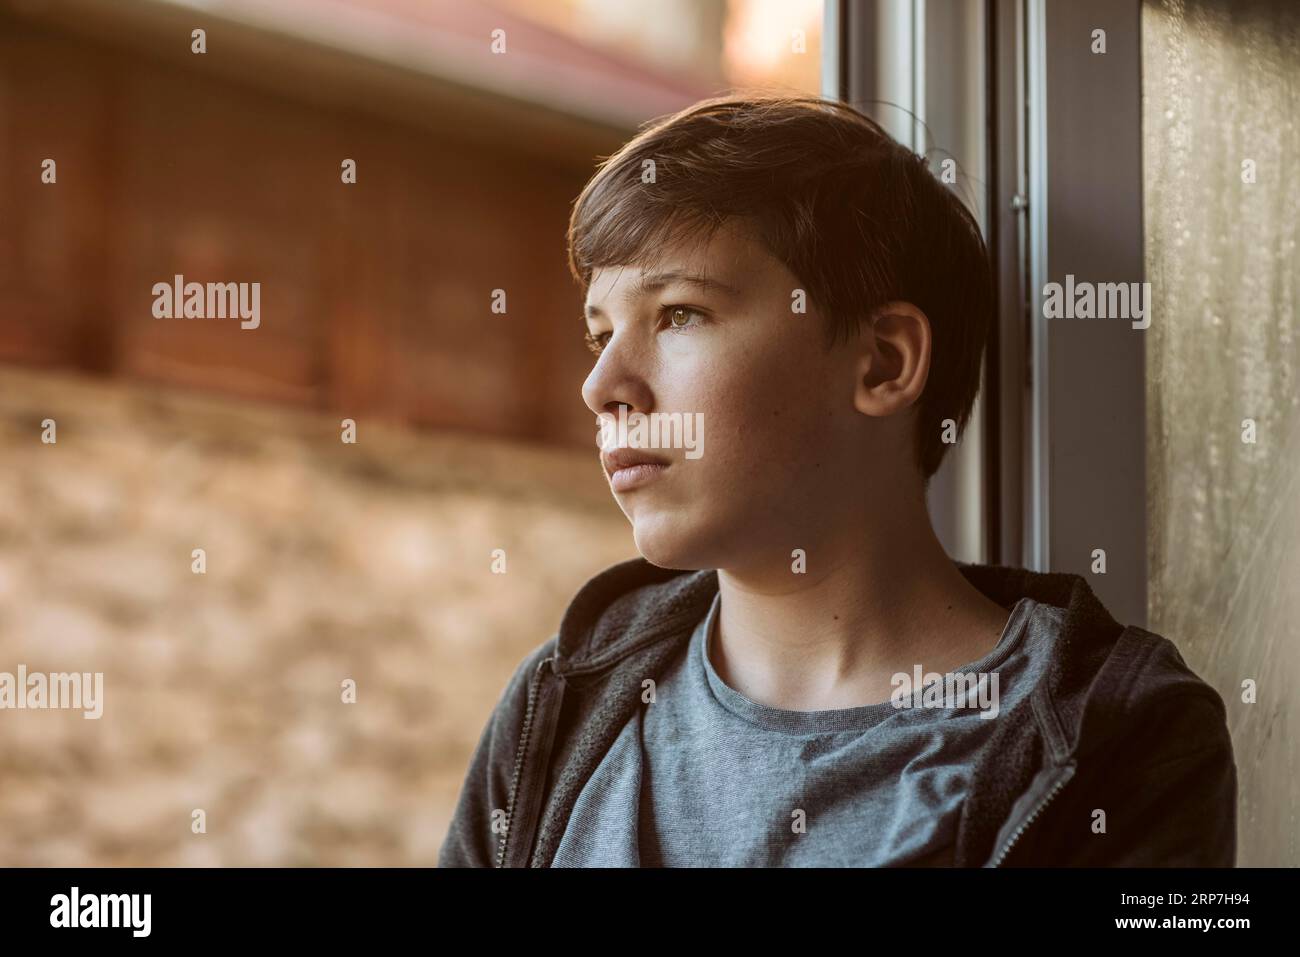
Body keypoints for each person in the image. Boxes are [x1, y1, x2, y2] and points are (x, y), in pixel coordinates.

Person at [438, 93, 1237, 868]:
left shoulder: (1125, 736)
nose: (603, 385)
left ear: (884, 362)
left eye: (679, 314)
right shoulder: (559, 700)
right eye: (600, 335)